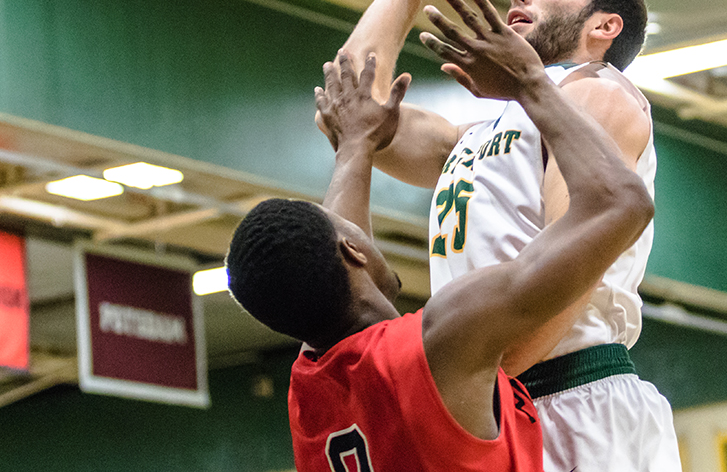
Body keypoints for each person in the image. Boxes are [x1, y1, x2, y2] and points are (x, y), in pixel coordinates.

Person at [327, 0, 681, 471]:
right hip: (497, 391)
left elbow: (576, 259)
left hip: (570, 395)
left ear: (604, 26)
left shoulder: (598, 92)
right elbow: (352, 110)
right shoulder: (480, 130)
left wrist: (488, 380)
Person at [225, 30, 654, 471]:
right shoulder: (446, 338)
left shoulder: (310, 394)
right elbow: (623, 204)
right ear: (354, 251)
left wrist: (356, 144)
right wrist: (530, 83)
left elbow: (340, 239)